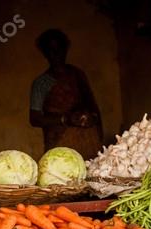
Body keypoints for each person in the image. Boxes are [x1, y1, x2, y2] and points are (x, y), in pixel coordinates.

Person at [28, 29, 103, 158]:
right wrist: (65, 119)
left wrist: (95, 123)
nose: (56, 54)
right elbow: (34, 119)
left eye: (59, 49)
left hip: (88, 140)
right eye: (51, 50)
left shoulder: (77, 74)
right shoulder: (41, 83)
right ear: (45, 53)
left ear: (65, 49)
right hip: (58, 142)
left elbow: (92, 105)